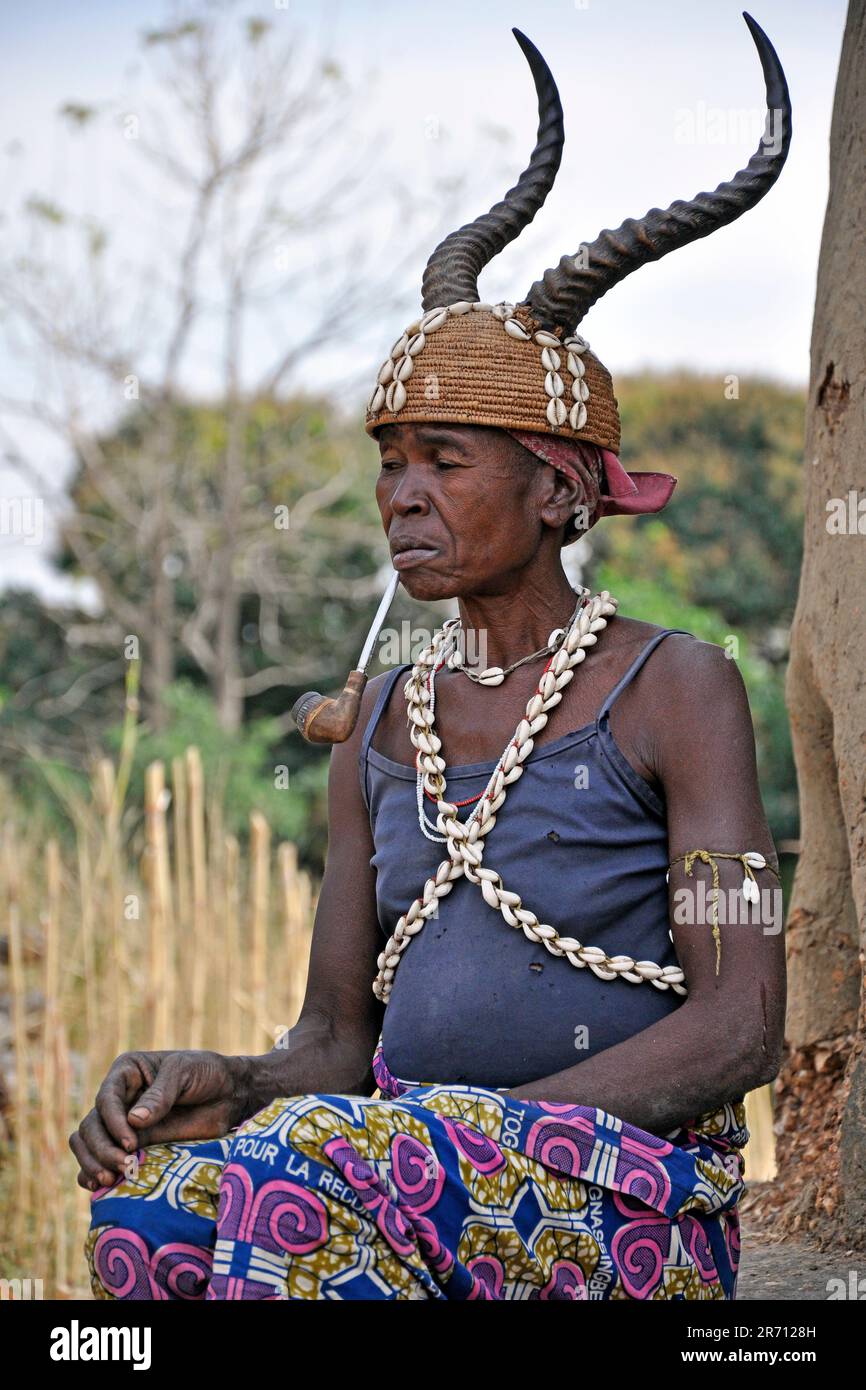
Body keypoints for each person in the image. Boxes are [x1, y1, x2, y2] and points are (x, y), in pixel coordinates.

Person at [71, 18, 790, 1301]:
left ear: (562, 493)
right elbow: (337, 1040)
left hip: (625, 1198)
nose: (402, 496)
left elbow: (739, 1023)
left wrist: (475, 1134)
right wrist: (226, 1081)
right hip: (387, 1164)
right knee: (152, 1219)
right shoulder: (377, 725)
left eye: (445, 463)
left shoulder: (676, 684)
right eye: (389, 465)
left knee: (298, 1170)